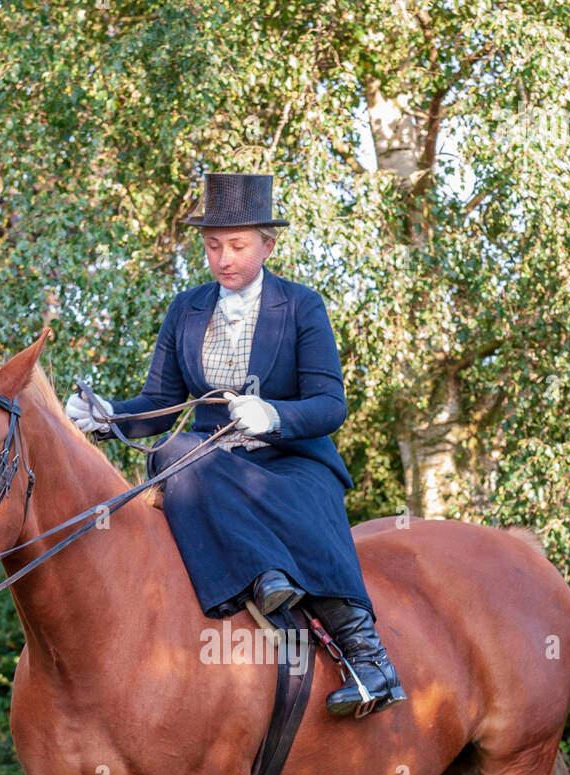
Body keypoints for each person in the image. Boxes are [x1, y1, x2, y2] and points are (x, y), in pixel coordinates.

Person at [66, 172, 404, 717]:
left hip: (293, 461)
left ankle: (369, 661)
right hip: (210, 466)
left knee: (198, 467)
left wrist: (273, 415)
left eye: (238, 245)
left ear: (268, 245)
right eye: (213, 245)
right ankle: (264, 575)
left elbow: (330, 406)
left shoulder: (301, 307)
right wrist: (109, 418)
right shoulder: (187, 309)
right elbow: (161, 401)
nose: (224, 258)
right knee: (170, 454)